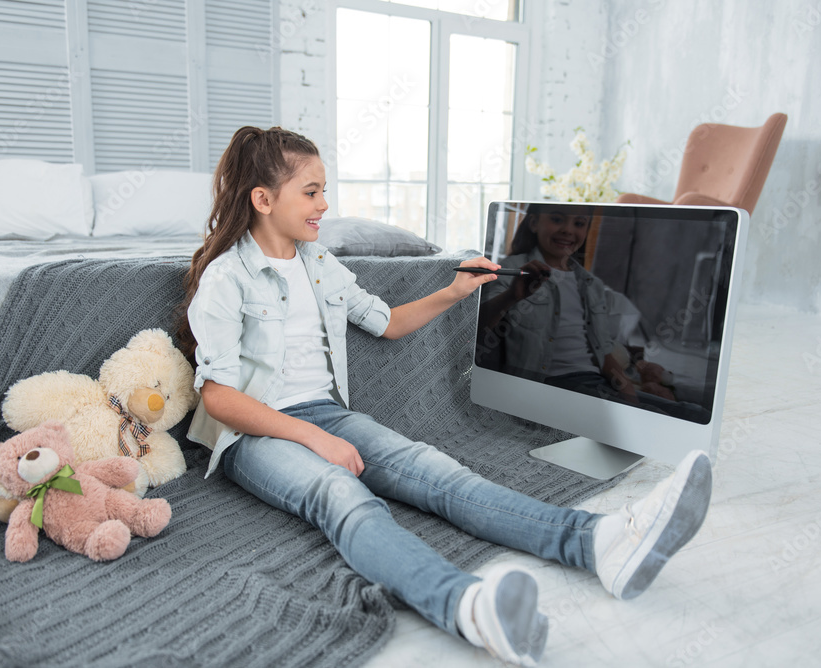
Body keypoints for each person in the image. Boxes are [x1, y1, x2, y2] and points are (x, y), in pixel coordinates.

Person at [177, 126, 713, 666]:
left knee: (434, 469)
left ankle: (597, 543)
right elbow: (220, 399)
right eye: (311, 191)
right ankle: (467, 607)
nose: (324, 204)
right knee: (340, 496)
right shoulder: (226, 279)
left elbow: (385, 322)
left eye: (324, 190)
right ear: (263, 199)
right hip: (251, 434)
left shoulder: (318, 263)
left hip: (324, 414)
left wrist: (454, 290)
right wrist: (313, 438)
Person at [479, 209, 692, 415]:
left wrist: (627, 390)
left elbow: (603, 348)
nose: (568, 230)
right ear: (534, 223)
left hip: (595, 382)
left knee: (691, 414)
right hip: (551, 385)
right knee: (655, 417)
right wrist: (512, 296)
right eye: (557, 219)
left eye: (579, 223)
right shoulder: (513, 268)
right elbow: (480, 326)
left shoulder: (591, 284)